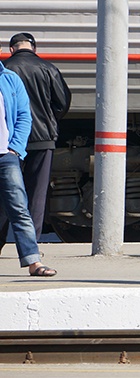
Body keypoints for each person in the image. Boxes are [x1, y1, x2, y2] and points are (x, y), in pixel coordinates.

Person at [0, 33, 72, 247]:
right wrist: (49, 120)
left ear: (11, 49)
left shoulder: (6, 70)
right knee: (37, 196)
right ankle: (32, 245)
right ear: (34, 47)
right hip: (41, 139)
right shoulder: (48, 68)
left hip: (8, 141)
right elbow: (62, 103)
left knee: (4, 193)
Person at [0, 57, 56, 277]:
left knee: (19, 209)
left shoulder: (10, 79)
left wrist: (15, 148)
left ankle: (34, 262)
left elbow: (24, 115)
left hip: (6, 155)